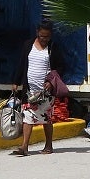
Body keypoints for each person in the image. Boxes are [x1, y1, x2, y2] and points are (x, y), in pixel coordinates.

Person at [14, 19, 68, 156]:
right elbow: (21, 64)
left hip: (46, 92)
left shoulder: (53, 47)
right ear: (37, 33)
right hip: (30, 90)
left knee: (46, 118)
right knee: (27, 116)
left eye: (47, 37)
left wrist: (51, 83)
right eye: (42, 36)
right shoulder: (28, 45)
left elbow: (61, 67)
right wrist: (16, 81)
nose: (44, 39)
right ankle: (24, 146)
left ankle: (49, 145)